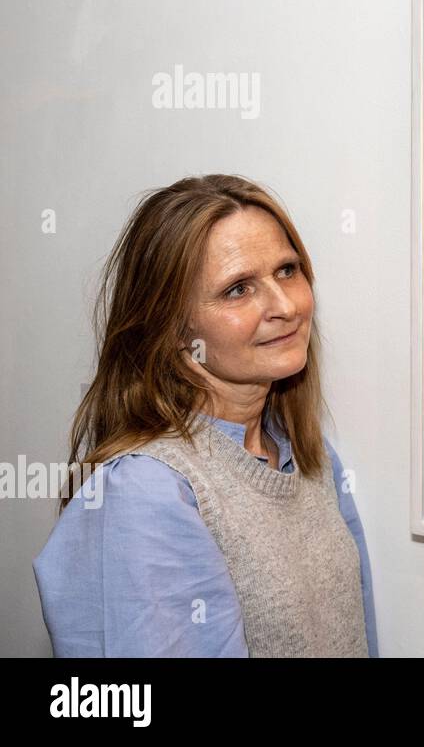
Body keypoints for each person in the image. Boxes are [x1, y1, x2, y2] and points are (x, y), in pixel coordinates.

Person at [32, 174, 377, 657]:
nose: (285, 306)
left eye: (286, 270)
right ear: (173, 328)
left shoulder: (309, 456)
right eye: (238, 289)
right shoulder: (147, 491)